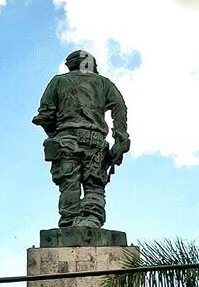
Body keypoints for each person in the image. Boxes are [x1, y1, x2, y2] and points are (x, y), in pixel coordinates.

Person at [32, 50, 130, 229]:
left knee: (69, 185)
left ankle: (69, 224)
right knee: (95, 185)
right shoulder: (104, 84)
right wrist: (120, 139)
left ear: (70, 65)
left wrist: (55, 135)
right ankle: (91, 221)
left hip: (66, 141)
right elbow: (120, 108)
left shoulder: (58, 82)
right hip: (96, 142)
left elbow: (45, 115)